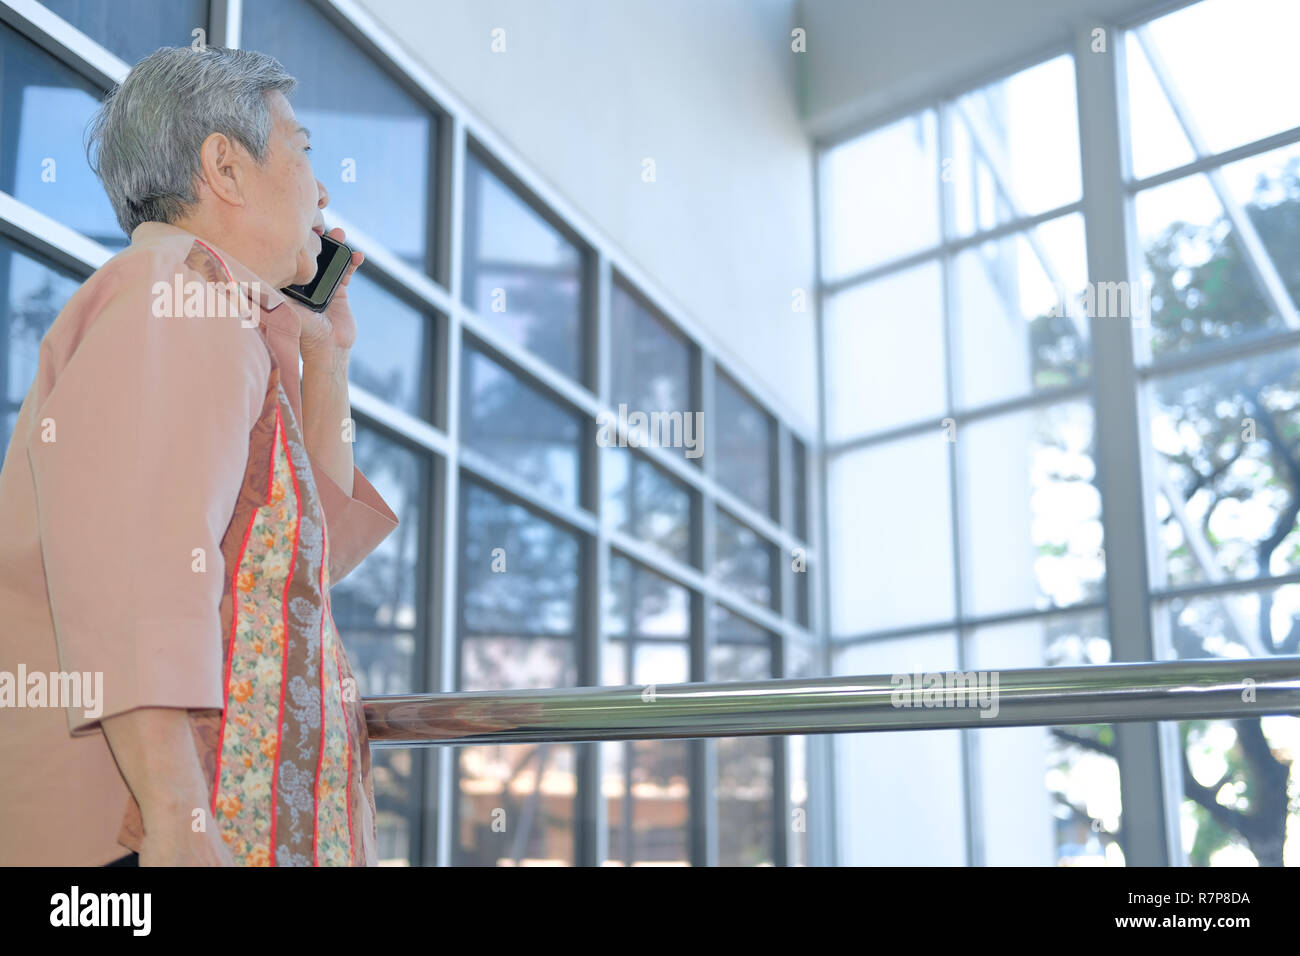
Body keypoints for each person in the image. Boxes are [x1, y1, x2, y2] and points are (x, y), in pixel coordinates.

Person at [0, 46, 399, 866]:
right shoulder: (175, 296)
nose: (321, 192)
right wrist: (179, 818)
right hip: (134, 839)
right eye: (303, 152)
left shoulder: (217, 310)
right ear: (225, 165)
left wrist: (325, 352)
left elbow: (304, 562)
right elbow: (133, 569)